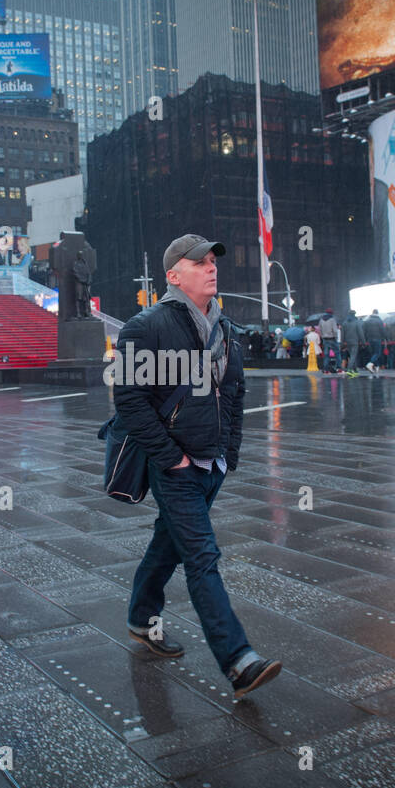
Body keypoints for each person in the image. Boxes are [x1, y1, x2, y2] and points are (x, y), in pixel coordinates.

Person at [113, 232, 281, 699]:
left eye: (213, 260)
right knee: (202, 557)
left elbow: (235, 392)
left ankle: (140, 619)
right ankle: (238, 660)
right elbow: (129, 399)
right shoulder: (146, 327)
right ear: (173, 275)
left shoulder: (224, 327)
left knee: (168, 545)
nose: (211, 267)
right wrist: (173, 459)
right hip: (176, 468)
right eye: (199, 262)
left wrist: (228, 454)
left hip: (212, 465)